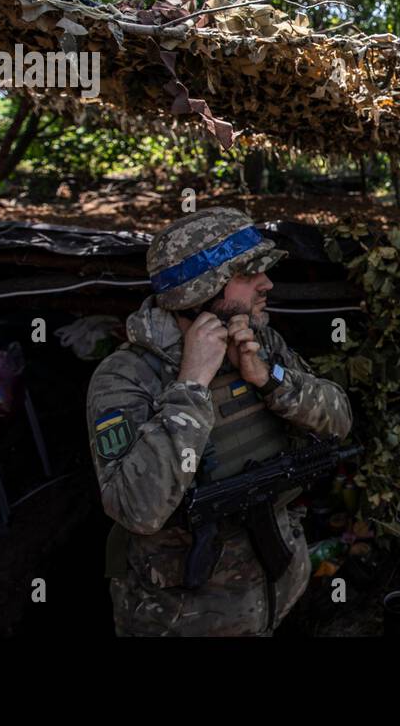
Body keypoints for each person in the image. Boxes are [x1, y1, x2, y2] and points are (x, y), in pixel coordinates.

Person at [87, 207, 352, 636]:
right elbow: (136, 509)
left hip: (276, 594)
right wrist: (191, 385)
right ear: (204, 289)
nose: (267, 284)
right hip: (186, 619)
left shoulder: (260, 340)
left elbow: (339, 421)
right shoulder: (126, 377)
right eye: (249, 275)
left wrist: (269, 379)